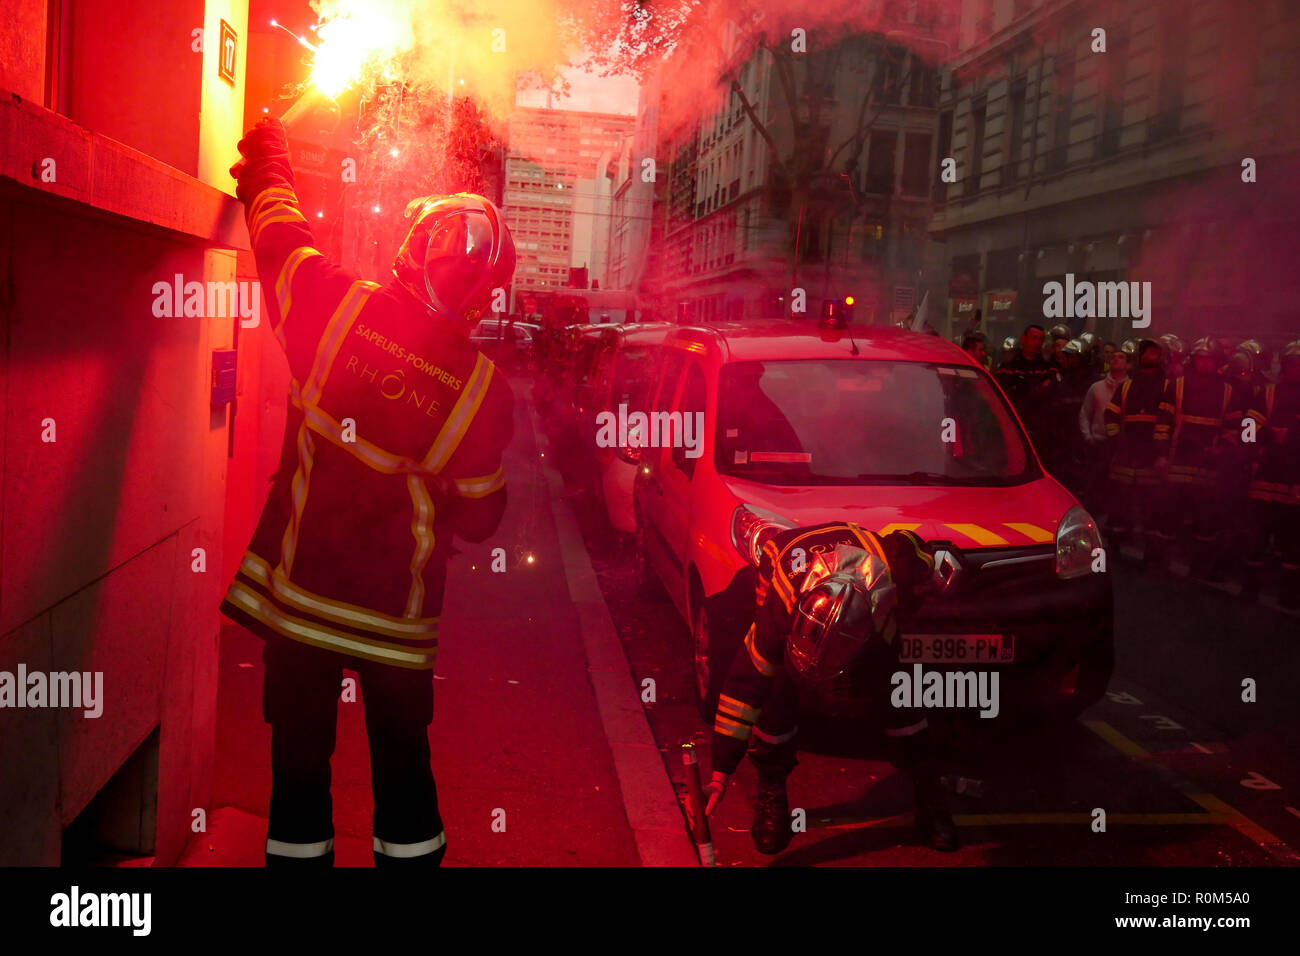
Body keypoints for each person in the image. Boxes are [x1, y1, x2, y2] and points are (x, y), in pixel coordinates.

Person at [222, 118, 517, 866]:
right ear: (486, 291)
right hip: (397, 625)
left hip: (302, 607)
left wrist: (267, 161)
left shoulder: (336, 308)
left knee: (296, 770)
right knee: (404, 778)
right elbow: (483, 517)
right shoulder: (485, 391)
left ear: (411, 254)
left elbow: (280, 238)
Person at [702, 523, 959, 854]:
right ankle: (772, 788)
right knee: (775, 694)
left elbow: (914, 545)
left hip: (871, 614)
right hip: (785, 569)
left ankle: (930, 795)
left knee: (902, 698)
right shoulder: (779, 610)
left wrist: (936, 568)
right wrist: (719, 775)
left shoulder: (897, 567)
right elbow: (742, 689)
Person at [1157, 338, 1242, 579]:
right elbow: (1163, 422)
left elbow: (1234, 428)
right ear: (1193, 360)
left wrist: (1222, 451)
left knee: (1204, 520)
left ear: (1217, 362)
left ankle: (1198, 567)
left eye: (1208, 359)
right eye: (1199, 359)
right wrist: (1162, 454)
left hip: (1208, 466)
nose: (1203, 364)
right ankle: (1162, 561)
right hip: (1177, 461)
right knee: (1169, 513)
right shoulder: (1177, 385)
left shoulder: (1228, 391)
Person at [1242, 341, 1300, 606]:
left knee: (1293, 541)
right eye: (1292, 363)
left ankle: (1288, 593)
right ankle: (1250, 587)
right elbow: (1247, 431)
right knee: (1256, 535)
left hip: (1296, 481)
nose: (1296, 368)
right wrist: (1269, 435)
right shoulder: (1268, 393)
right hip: (1264, 476)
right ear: (1284, 366)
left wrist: (1290, 438)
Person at [1104, 340, 1171, 563]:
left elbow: (1167, 421)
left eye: (1156, 352)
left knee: (1151, 508)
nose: (1152, 356)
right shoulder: (1127, 386)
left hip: (1150, 458)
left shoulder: (1166, 385)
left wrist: (1161, 453)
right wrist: (1117, 441)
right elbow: (1111, 416)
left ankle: (1151, 556)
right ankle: (1114, 551)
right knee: (1118, 507)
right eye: (1148, 352)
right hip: (1125, 457)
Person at [996, 324, 1062, 462]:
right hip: (1014, 431)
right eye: (1033, 338)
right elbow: (999, 396)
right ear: (1023, 339)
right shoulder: (1009, 368)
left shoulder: (1049, 369)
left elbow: (1051, 392)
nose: (1037, 342)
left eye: (1040, 339)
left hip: (1041, 434)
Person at [1079, 349, 1128, 517]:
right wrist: (1088, 436)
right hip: (1099, 445)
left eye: (1121, 357)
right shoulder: (1096, 388)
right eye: (1113, 356)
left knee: (1116, 489)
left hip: (1121, 447)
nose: (1115, 359)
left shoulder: (1132, 388)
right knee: (1095, 486)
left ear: (1128, 364)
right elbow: (1085, 413)